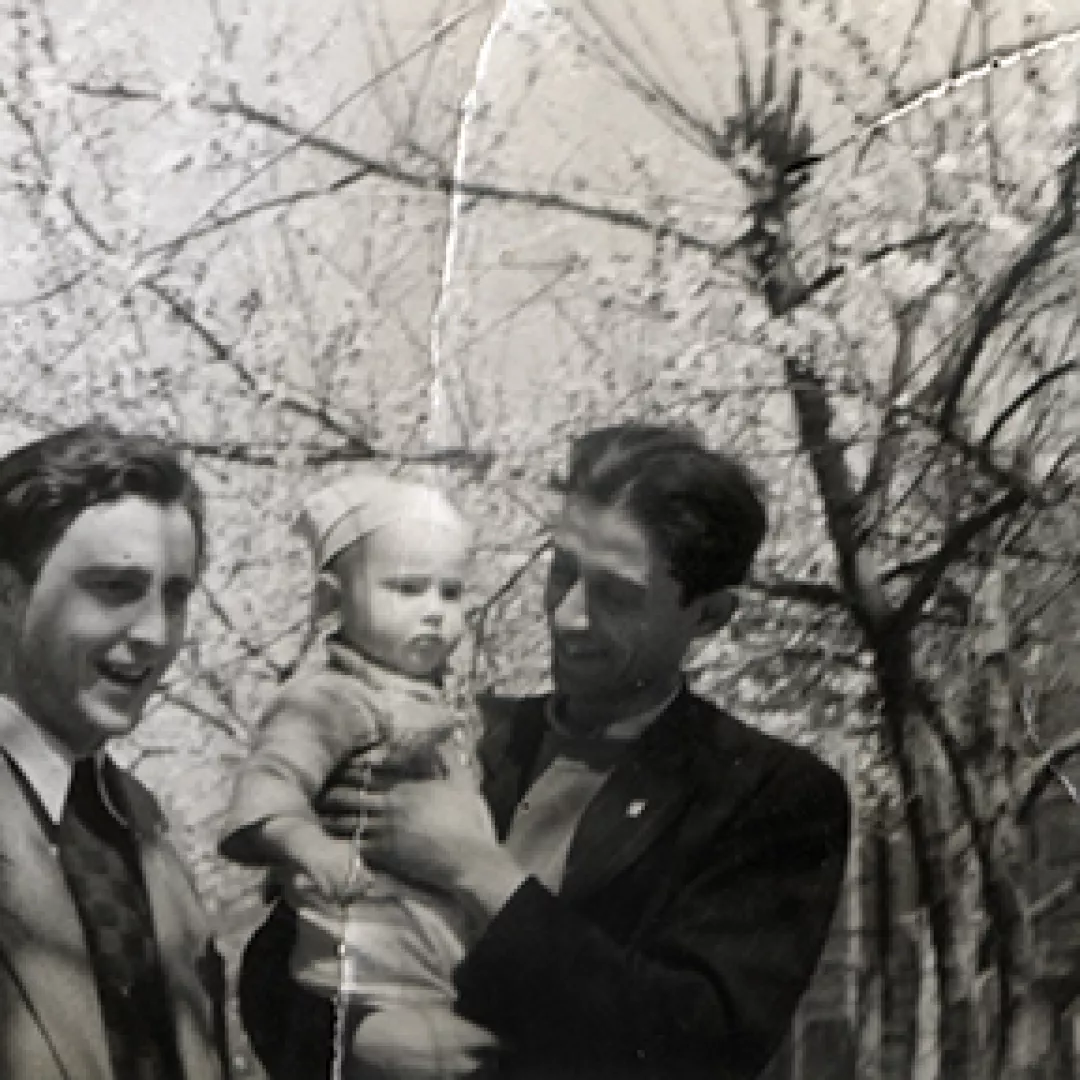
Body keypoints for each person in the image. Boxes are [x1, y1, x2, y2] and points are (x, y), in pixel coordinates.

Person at [240, 423, 851, 1080]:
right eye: (561, 571)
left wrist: (478, 871)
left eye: (616, 595)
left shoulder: (768, 794)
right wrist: (360, 1037)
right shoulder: (447, 737)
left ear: (709, 616)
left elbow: (701, 1042)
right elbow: (277, 965)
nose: (566, 616)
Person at [221, 468, 494, 1079]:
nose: (434, 612)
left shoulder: (440, 710)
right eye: (407, 588)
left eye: (451, 594)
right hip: (355, 958)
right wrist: (304, 840)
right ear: (330, 601)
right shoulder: (330, 697)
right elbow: (269, 782)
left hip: (429, 959)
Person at [0, 424, 229, 1080]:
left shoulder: (144, 826)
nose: (155, 634)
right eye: (114, 588)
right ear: (8, 594)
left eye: (176, 596)